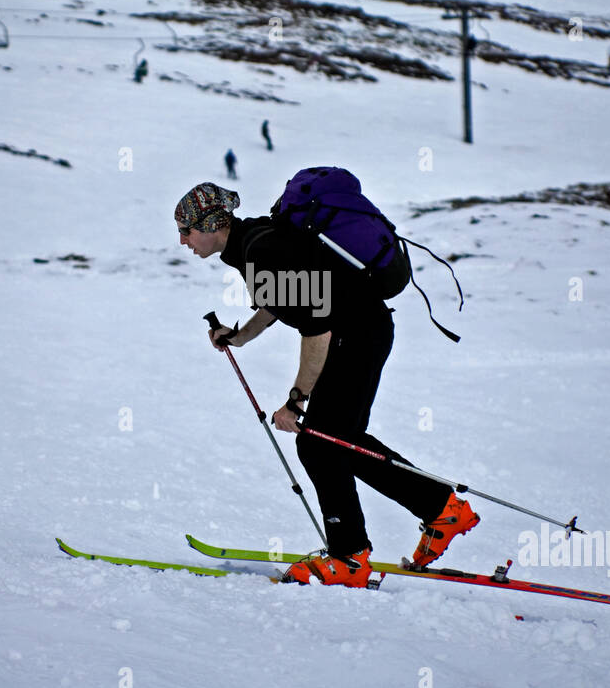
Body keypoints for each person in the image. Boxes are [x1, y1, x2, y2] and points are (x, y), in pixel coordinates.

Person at [174, 181, 479, 588]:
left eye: (187, 230)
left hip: (356, 336)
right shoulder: (255, 243)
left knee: (318, 442)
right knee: (338, 439)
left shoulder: (259, 251)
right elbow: (285, 301)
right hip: (362, 331)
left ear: (211, 224)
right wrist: (241, 336)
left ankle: (349, 557)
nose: (183, 241)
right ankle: (443, 509)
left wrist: (296, 401)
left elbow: (316, 328)